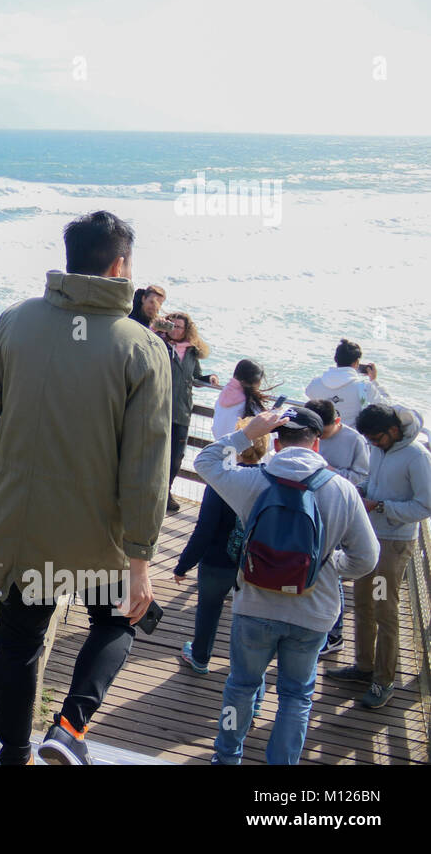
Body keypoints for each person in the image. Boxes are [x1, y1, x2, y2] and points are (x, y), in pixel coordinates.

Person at [0, 210, 171, 766]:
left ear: (69, 256)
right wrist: (141, 559)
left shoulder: (15, 321)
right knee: (118, 620)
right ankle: (70, 728)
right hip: (101, 534)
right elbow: (147, 470)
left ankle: (14, 752)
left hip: (25, 525)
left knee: (18, 641)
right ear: (121, 264)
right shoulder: (142, 347)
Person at [195, 407, 377, 764]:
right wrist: (331, 566)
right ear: (317, 444)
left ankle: (227, 756)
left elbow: (206, 461)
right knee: (296, 696)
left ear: (276, 442)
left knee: (241, 686)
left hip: (255, 607)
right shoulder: (343, 490)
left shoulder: (252, 481)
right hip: (314, 611)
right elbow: (366, 559)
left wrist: (247, 433)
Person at [330, 403, 431, 709]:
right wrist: (359, 490)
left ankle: (383, 680)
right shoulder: (379, 448)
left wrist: (384, 507)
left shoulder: (418, 456)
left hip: (393, 545)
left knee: (384, 609)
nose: (372, 444)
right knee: (363, 603)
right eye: (369, 439)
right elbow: (374, 482)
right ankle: (364, 666)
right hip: (368, 538)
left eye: (376, 438)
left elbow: (425, 505)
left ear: (394, 430)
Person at [174, 419, 270, 721]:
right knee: (251, 624)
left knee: (208, 609)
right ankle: (252, 689)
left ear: (240, 445)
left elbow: (203, 530)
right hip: (253, 567)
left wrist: (183, 564)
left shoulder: (223, 480)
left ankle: (200, 657)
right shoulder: (272, 482)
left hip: (216, 561)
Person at [305, 398, 371, 657]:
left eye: (325, 431)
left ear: (338, 421)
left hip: (337, 512)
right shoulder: (307, 431)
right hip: (307, 511)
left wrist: (331, 471)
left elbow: (362, 477)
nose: (319, 437)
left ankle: (335, 635)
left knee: (332, 572)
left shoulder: (355, 440)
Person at [159, 310, 220, 512]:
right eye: (173, 325)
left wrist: (209, 379)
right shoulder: (159, 344)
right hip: (158, 409)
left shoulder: (192, 352)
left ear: (187, 330)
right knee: (156, 453)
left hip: (182, 411)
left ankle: (165, 492)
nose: (175, 330)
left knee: (176, 456)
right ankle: (153, 492)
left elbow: (196, 377)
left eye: (180, 327)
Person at [306, 339, 390, 427]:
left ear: (336, 359)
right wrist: (374, 381)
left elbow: (309, 394)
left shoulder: (316, 383)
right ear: (357, 362)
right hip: (352, 438)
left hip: (322, 436)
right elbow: (386, 406)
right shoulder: (363, 387)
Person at [212, 359, 273, 438]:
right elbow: (263, 430)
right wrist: (274, 413)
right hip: (237, 446)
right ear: (255, 381)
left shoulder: (225, 392)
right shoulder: (248, 401)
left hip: (219, 443)